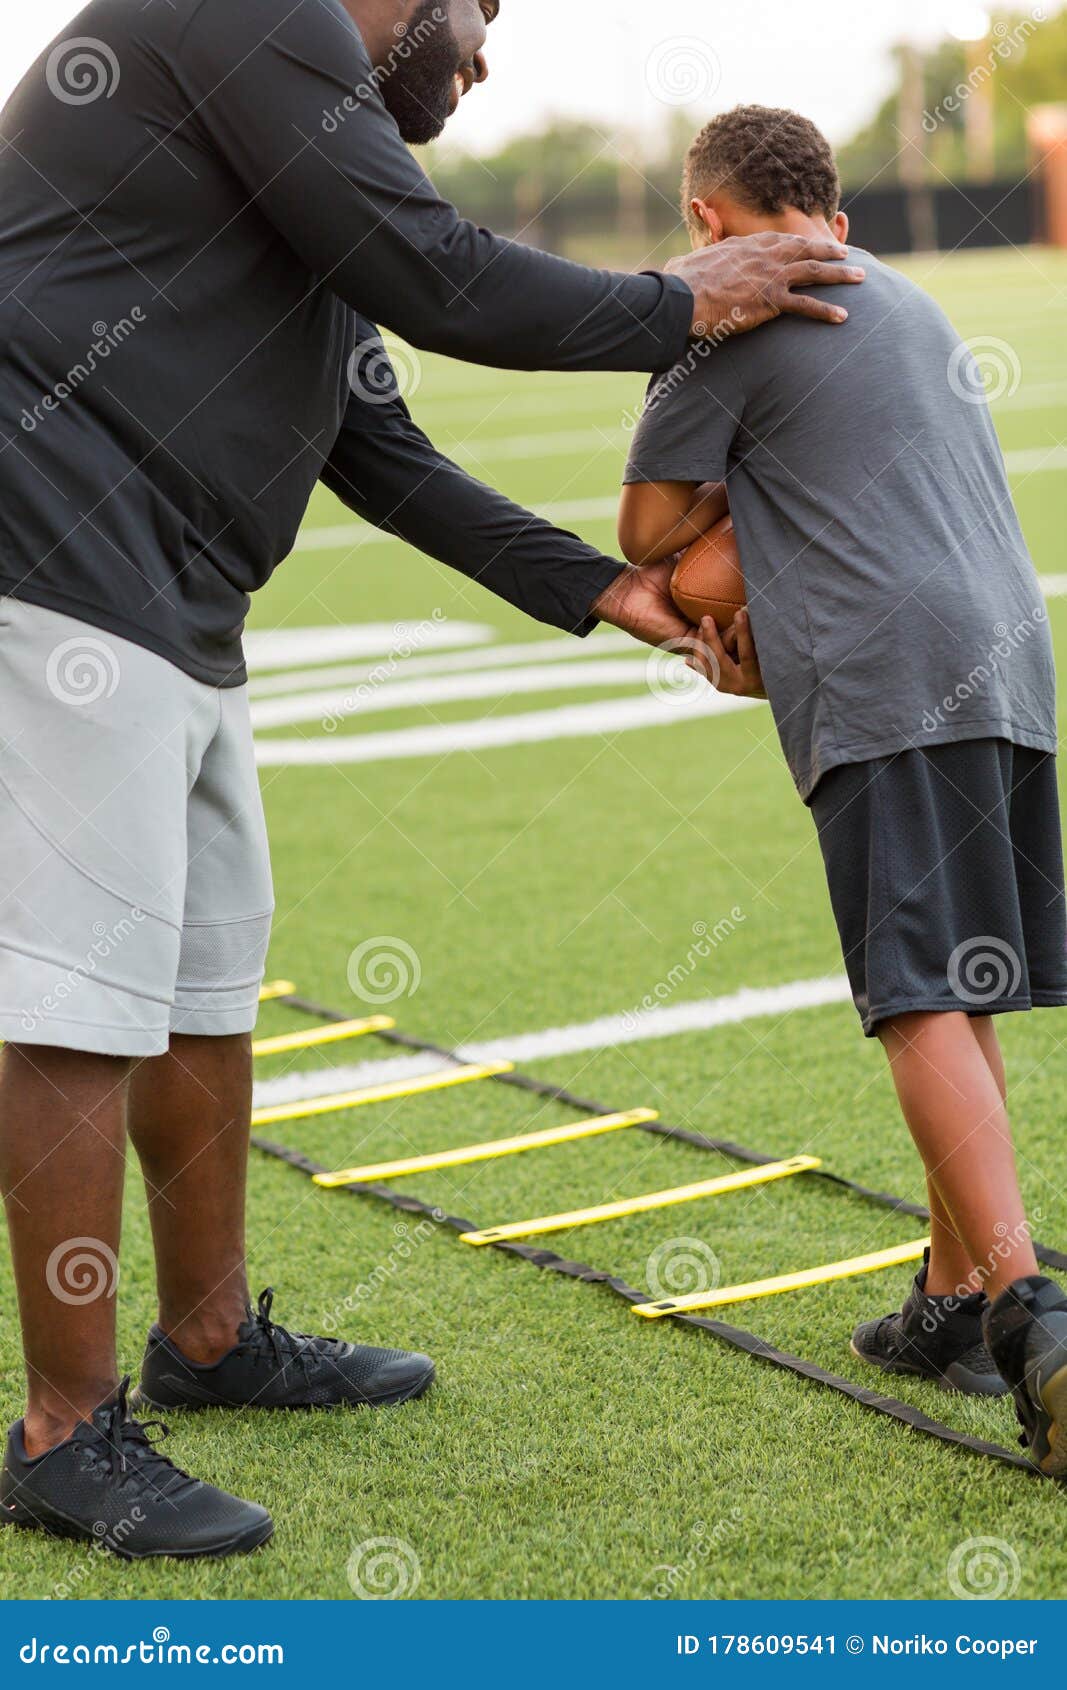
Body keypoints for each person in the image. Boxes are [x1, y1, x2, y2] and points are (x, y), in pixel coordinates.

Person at [0, 2, 863, 1560]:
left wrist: (610, 590)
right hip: (56, 554)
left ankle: (207, 1339)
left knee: (204, 971)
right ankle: (63, 1428)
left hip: (175, 592)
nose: (484, 56)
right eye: (481, 11)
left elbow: (382, 452)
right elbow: (442, 275)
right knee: (80, 994)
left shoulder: (302, 165)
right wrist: (682, 301)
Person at [619, 104, 1067, 1476]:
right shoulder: (911, 296)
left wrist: (736, 555)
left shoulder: (733, 312)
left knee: (916, 993)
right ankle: (952, 1297)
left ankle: (1031, 1313)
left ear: (705, 221)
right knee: (962, 980)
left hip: (887, 671)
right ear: (835, 215)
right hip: (1007, 656)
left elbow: (647, 535)